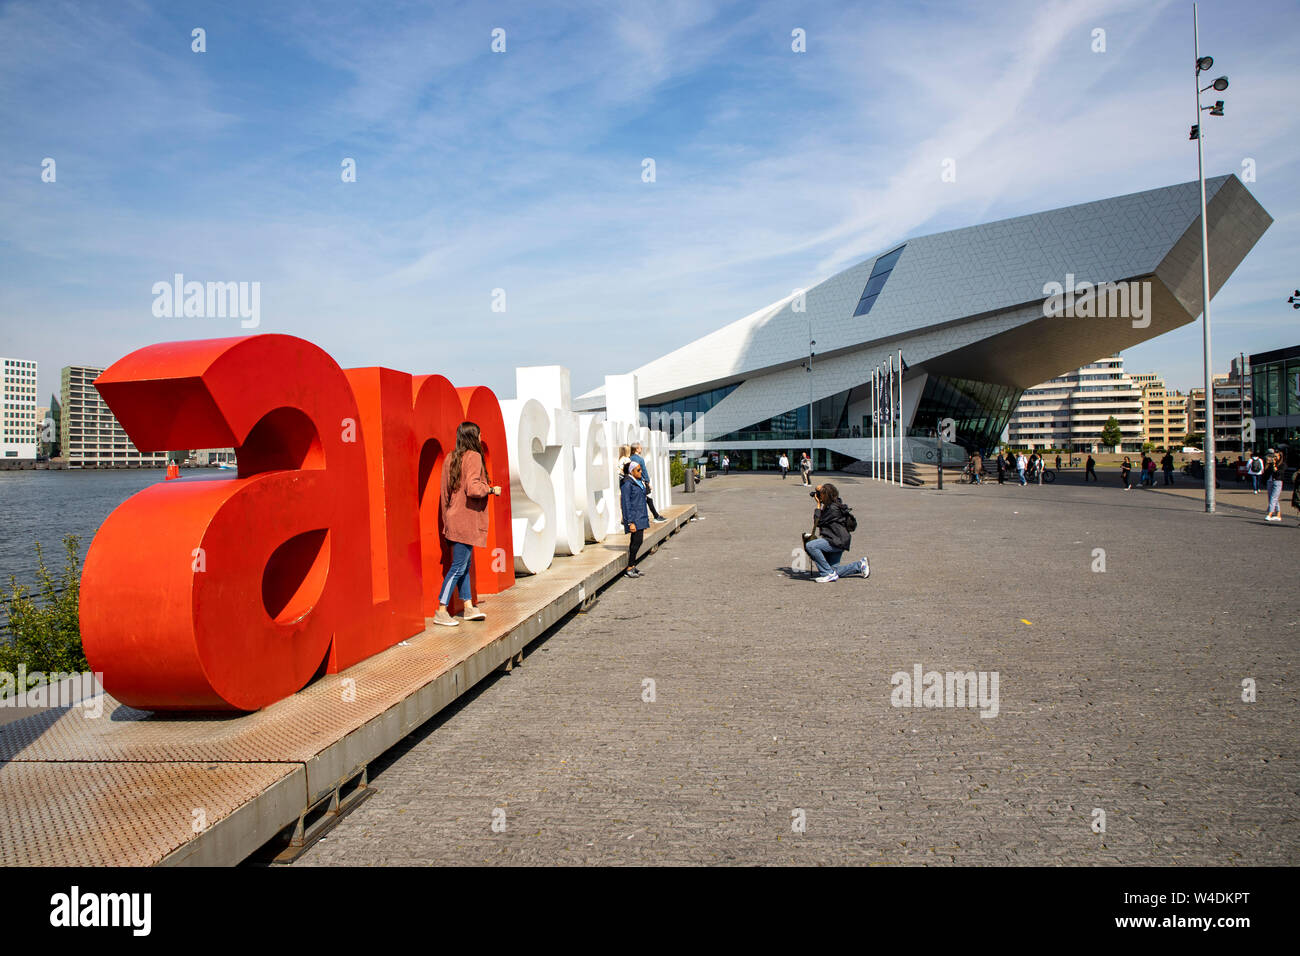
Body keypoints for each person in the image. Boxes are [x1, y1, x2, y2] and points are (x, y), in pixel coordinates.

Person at [434, 422, 502, 627]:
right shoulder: (474, 457)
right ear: (474, 436)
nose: (481, 437)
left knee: (464, 565)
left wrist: (447, 522)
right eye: (480, 434)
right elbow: (473, 489)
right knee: (458, 566)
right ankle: (441, 609)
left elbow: (444, 493)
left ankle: (468, 606)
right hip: (466, 520)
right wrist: (490, 489)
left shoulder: (450, 458)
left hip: (453, 519)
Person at [804, 483, 869, 583]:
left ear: (826, 495)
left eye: (821, 494)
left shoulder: (833, 508)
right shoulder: (834, 504)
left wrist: (818, 506)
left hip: (836, 541)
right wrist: (819, 490)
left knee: (811, 546)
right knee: (834, 570)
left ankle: (827, 574)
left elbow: (818, 522)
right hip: (838, 539)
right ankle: (860, 565)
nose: (819, 496)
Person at [621, 459, 651, 576]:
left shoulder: (638, 481)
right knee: (637, 541)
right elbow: (626, 504)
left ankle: (632, 566)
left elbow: (645, 494)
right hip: (634, 517)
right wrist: (630, 522)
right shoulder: (627, 484)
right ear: (631, 471)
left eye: (641, 469)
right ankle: (629, 567)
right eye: (638, 470)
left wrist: (645, 484)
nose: (640, 471)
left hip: (641, 515)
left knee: (635, 541)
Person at [629, 443, 667, 523]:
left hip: (632, 481)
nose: (641, 448)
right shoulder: (640, 459)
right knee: (648, 499)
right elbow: (644, 471)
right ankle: (656, 516)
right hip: (641, 481)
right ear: (637, 449)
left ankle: (655, 516)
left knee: (642, 500)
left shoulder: (630, 458)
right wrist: (648, 482)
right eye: (640, 447)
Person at [1264, 448, 1284, 522]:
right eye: (1274, 456)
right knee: (1272, 498)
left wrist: (1275, 466)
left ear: (1280, 456)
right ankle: (1278, 514)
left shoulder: (1282, 464)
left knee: (1273, 498)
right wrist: (1268, 464)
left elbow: (1279, 473)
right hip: (1270, 481)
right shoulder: (1271, 463)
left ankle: (1270, 514)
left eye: (1276, 456)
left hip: (1277, 482)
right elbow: (1266, 472)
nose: (1274, 458)